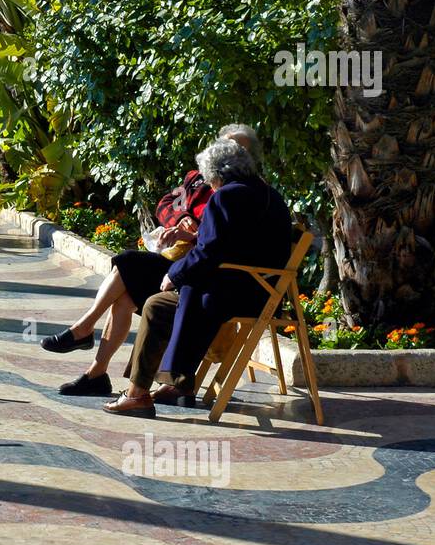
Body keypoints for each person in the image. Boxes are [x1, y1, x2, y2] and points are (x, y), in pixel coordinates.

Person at [40, 124, 264, 397]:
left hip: (195, 268)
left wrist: (191, 236)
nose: (231, 153)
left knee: (129, 268)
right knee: (125, 281)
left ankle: (89, 341)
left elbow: (217, 243)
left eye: (239, 150)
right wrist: (183, 220)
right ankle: (96, 369)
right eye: (226, 146)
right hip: (183, 260)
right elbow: (165, 207)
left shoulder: (236, 193)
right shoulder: (198, 178)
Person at [102, 138, 292, 415]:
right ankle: (179, 386)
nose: (209, 184)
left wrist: (174, 276)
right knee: (172, 302)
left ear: (217, 175)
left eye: (209, 178)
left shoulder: (225, 197)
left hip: (231, 295)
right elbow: (230, 246)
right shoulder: (269, 195)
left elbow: (207, 252)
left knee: (157, 304)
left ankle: (138, 394)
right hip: (263, 292)